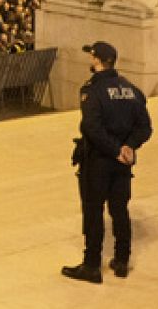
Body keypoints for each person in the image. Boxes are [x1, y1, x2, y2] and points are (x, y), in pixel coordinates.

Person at [62, 40, 152, 284]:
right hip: (123, 161)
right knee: (120, 210)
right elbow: (145, 127)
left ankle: (92, 265)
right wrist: (128, 147)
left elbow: (91, 127)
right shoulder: (132, 90)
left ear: (97, 60)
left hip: (99, 160)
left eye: (91, 57)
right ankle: (122, 261)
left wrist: (114, 150)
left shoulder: (92, 90)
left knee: (93, 211)